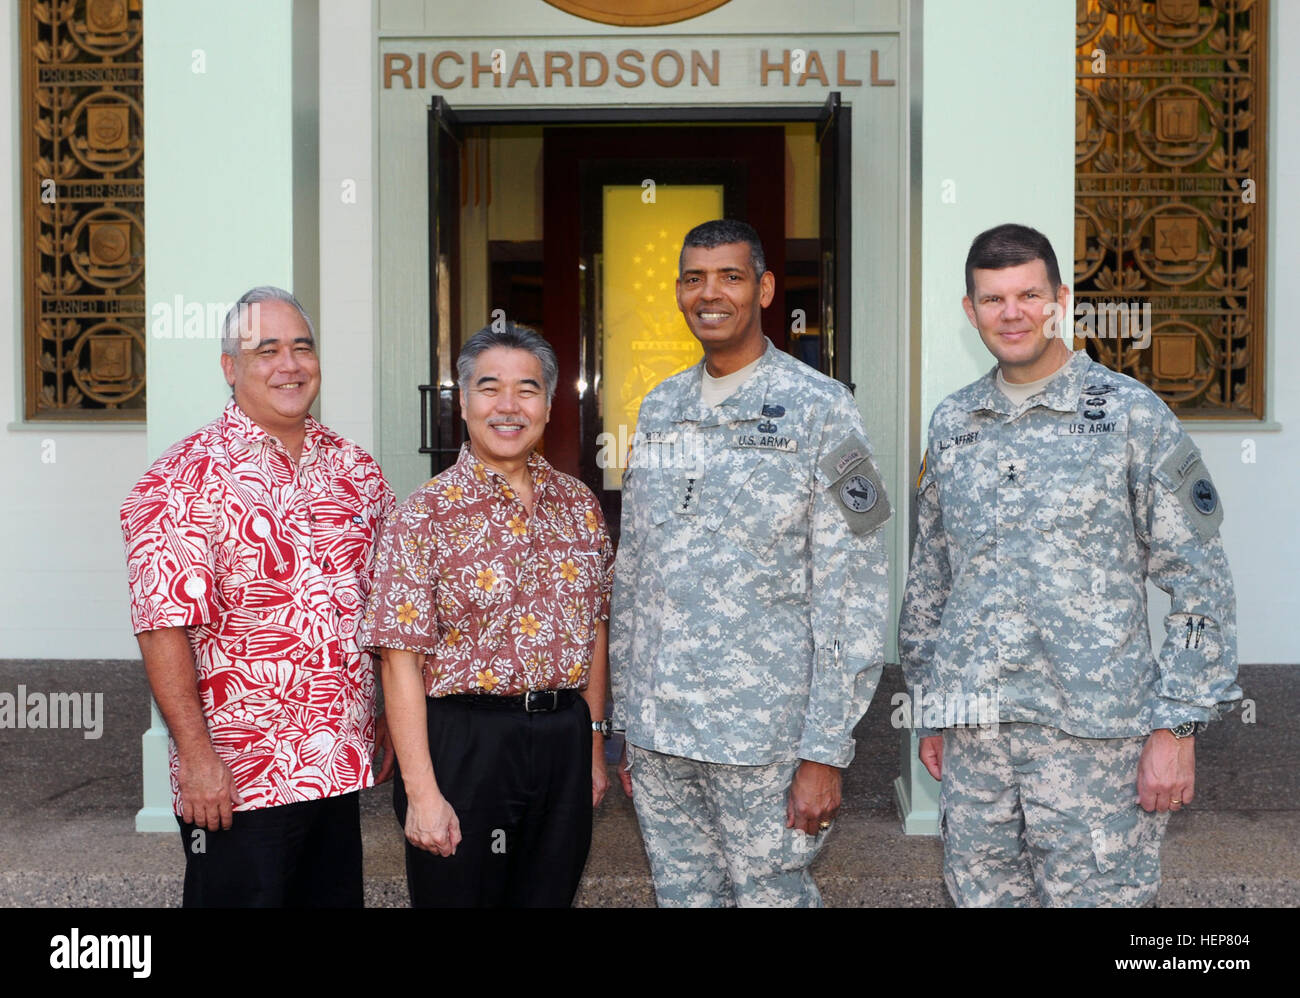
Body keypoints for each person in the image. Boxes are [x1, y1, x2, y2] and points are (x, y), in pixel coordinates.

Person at [898, 223, 1241, 907]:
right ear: (970, 311)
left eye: (1028, 294)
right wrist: (931, 704)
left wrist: (1177, 726)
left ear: (1059, 299)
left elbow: (1200, 580)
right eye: (993, 299)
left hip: (1095, 743)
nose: (1012, 313)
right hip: (978, 741)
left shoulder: (1129, 416)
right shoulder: (954, 424)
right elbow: (932, 578)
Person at [610, 218, 891, 907]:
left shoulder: (823, 408)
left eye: (730, 277)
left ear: (763, 288)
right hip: (661, 736)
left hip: (766, 738)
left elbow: (853, 591)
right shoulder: (659, 408)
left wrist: (826, 748)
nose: (711, 293)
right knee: (683, 898)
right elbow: (635, 570)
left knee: (772, 898)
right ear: (678, 293)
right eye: (695, 279)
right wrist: (626, 722)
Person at [120, 286, 396, 907]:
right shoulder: (181, 480)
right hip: (241, 780)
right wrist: (195, 756)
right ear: (230, 367)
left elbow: (382, 605)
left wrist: (383, 712)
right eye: (266, 350)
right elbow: (161, 628)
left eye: (302, 347)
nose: (289, 365)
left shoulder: (356, 470)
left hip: (335, 764)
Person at [360, 321, 614, 908]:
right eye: (489, 387)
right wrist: (421, 791)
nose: (508, 406)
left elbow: (594, 630)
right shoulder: (423, 515)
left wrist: (593, 748)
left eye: (526, 389)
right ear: (464, 401)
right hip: (462, 744)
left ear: (549, 404)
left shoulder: (579, 507)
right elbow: (399, 663)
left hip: (561, 739)